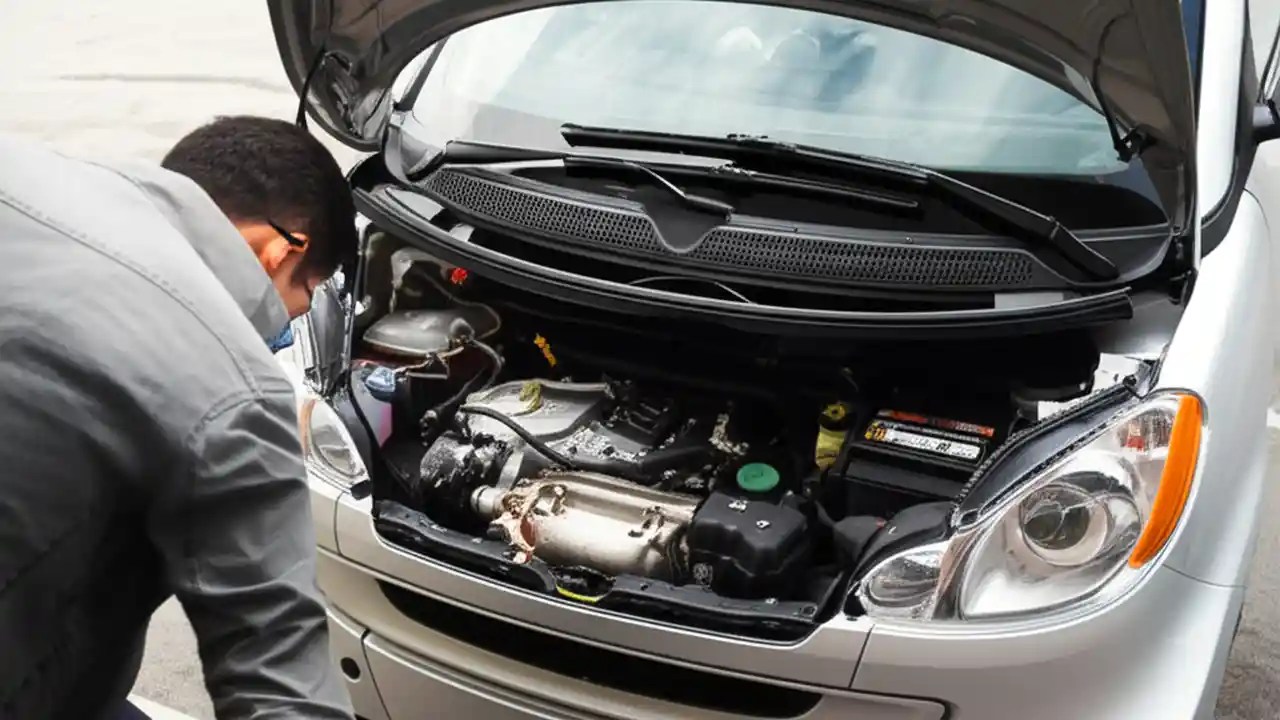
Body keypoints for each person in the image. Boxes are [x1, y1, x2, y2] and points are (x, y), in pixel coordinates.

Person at [0, 116, 357, 720]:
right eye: (308, 294)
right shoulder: (234, 393)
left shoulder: (23, 172)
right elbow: (281, 681)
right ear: (280, 250)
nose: (293, 320)